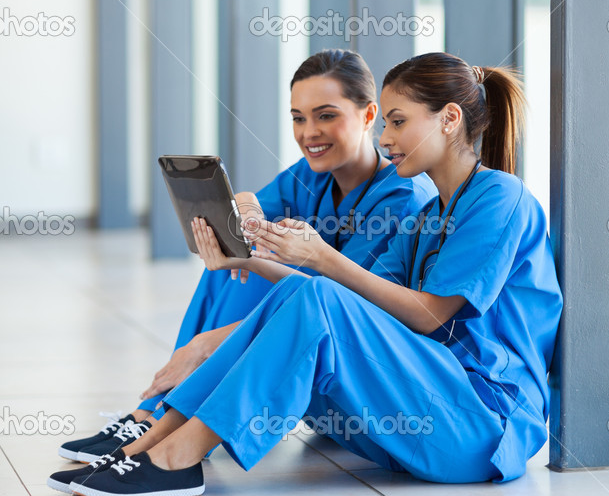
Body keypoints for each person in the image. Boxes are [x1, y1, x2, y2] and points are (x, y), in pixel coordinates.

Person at [54, 53, 563, 496]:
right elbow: (351, 299)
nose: (385, 139)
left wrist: (321, 258)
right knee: (301, 290)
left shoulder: (500, 197)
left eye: (398, 122)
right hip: (418, 408)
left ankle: (175, 459)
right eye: (385, 123)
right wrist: (248, 260)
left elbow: (431, 316)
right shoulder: (425, 220)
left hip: (480, 423)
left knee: (317, 291)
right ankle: (153, 439)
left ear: (449, 120)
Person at [54, 49, 435, 469]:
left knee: (263, 271)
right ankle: (153, 415)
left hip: (343, 373)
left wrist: (206, 344)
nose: (309, 132)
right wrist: (248, 214)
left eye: (326, 115)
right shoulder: (312, 175)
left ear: (368, 116)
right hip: (303, 368)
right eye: (298, 117)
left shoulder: (401, 199)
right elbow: (247, 202)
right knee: (231, 256)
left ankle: (172, 417)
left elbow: (336, 306)